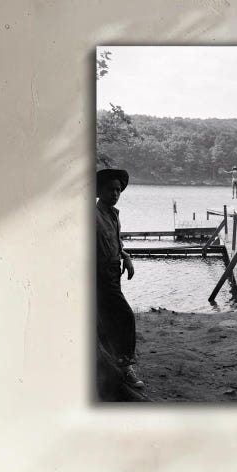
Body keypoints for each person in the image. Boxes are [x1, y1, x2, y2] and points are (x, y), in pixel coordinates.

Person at [95, 167, 144, 395]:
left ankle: (114, 365)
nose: (115, 193)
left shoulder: (114, 214)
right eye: (110, 190)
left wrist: (126, 256)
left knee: (110, 320)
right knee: (125, 316)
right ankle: (125, 366)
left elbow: (117, 242)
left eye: (118, 190)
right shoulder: (92, 215)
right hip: (100, 276)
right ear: (99, 191)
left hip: (115, 274)